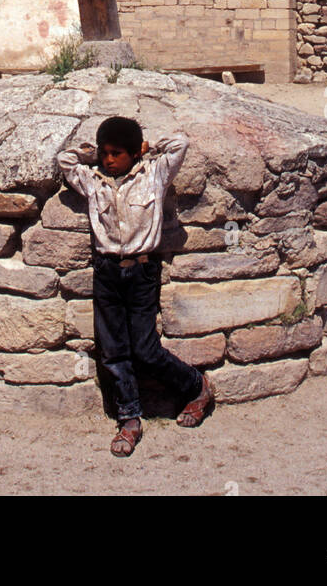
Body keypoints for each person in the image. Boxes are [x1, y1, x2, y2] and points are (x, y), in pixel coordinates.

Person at [57, 116, 214, 457]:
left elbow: (179, 144)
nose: (109, 160)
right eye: (105, 153)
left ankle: (196, 385)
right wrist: (90, 153)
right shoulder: (92, 180)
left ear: (133, 153)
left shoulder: (154, 175)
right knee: (112, 349)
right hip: (107, 272)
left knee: (144, 349)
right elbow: (64, 160)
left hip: (142, 272)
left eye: (117, 153)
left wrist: (147, 147)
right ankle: (129, 418)